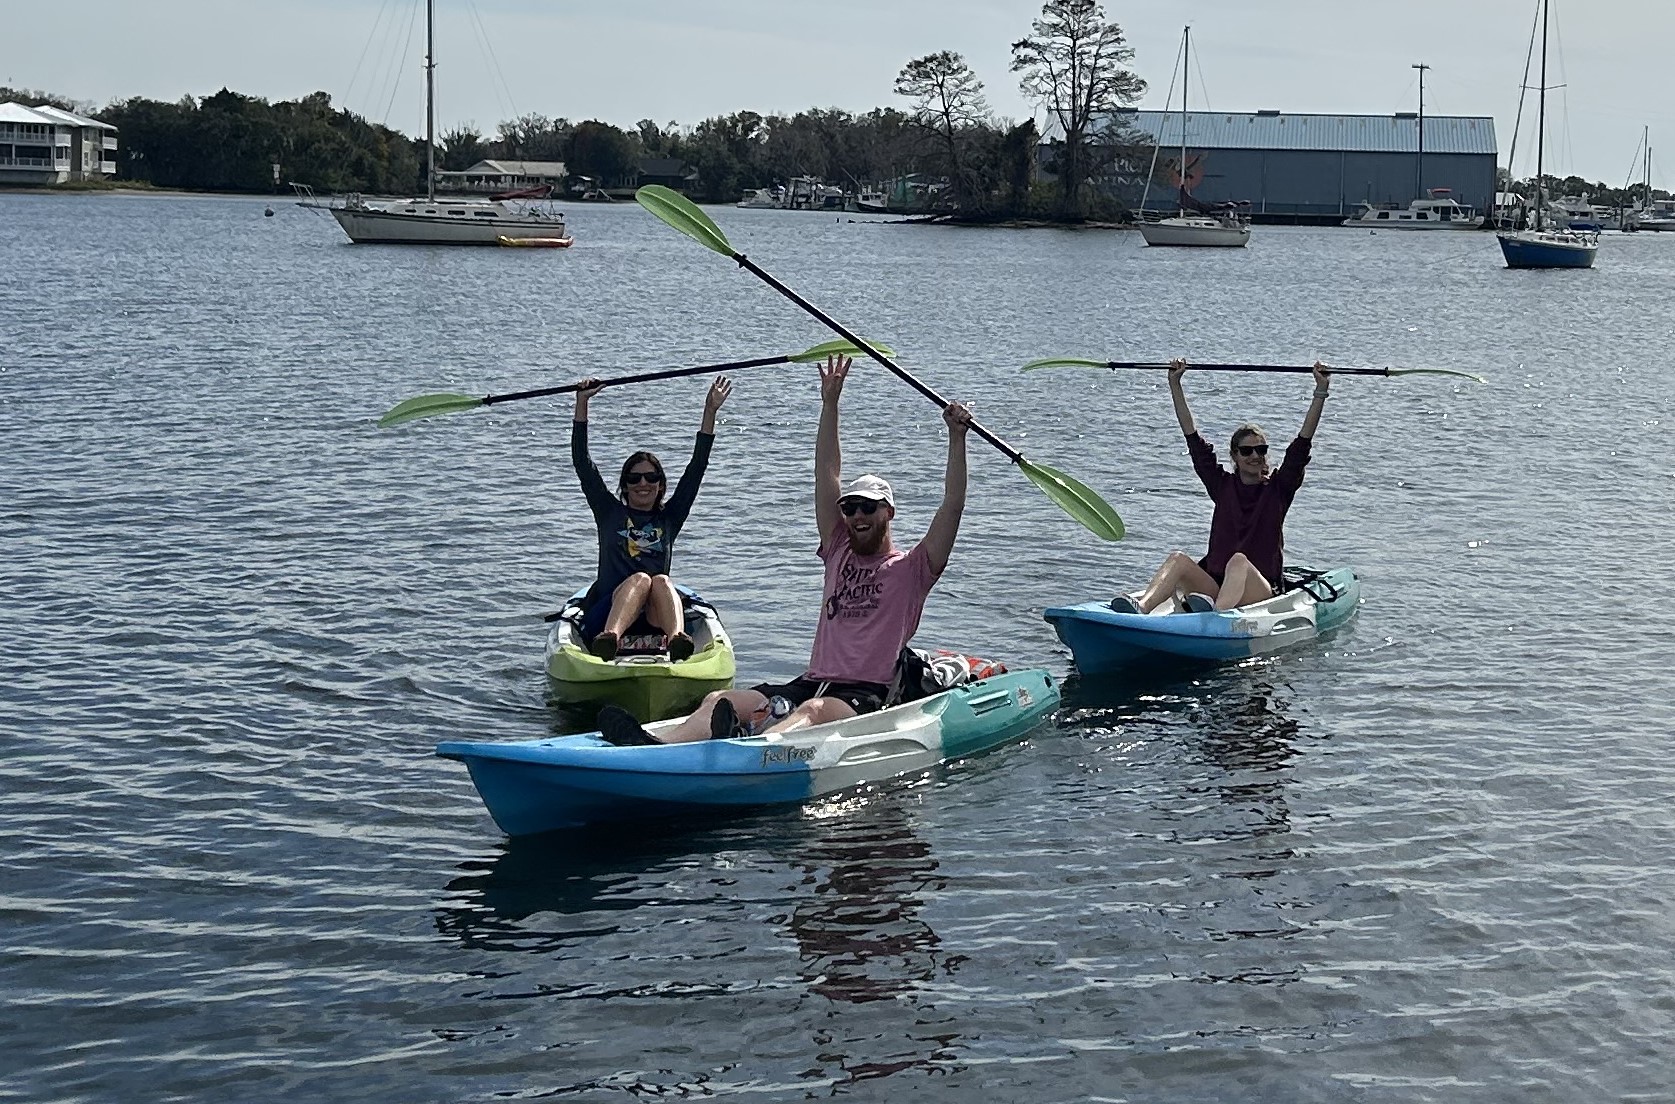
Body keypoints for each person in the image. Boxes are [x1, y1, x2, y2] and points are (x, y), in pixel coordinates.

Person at [597, 353, 972, 746]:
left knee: (810, 713)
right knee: (719, 697)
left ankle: (750, 750)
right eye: (850, 507)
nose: (857, 515)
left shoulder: (913, 569)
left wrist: (956, 438)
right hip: (813, 682)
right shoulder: (838, 548)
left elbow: (952, 504)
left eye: (868, 507)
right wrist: (830, 404)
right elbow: (826, 472)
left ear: (888, 512)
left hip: (866, 694)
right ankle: (658, 749)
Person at [1114, 357, 1330, 615]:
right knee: (1178, 559)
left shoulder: (1278, 489)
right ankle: (1141, 608)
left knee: (1238, 560)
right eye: (1246, 450)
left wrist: (1320, 391)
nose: (1254, 456)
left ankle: (1215, 619)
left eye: (1260, 450)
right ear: (1235, 456)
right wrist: (1175, 383)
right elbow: (1192, 437)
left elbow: (1303, 442)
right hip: (1217, 586)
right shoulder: (1222, 486)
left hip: (1259, 590)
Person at [571, 374, 731, 662]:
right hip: (608, 614)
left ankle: (677, 639)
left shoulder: (669, 518)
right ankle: (610, 639)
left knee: (661, 582)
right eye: (634, 478)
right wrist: (582, 403)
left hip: (654, 618)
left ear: (660, 484)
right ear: (625, 485)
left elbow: (697, 469)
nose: (643, 483)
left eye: (651, 477)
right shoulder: (609, 512)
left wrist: (710, 411)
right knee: (642, 579)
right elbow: (583, 463)